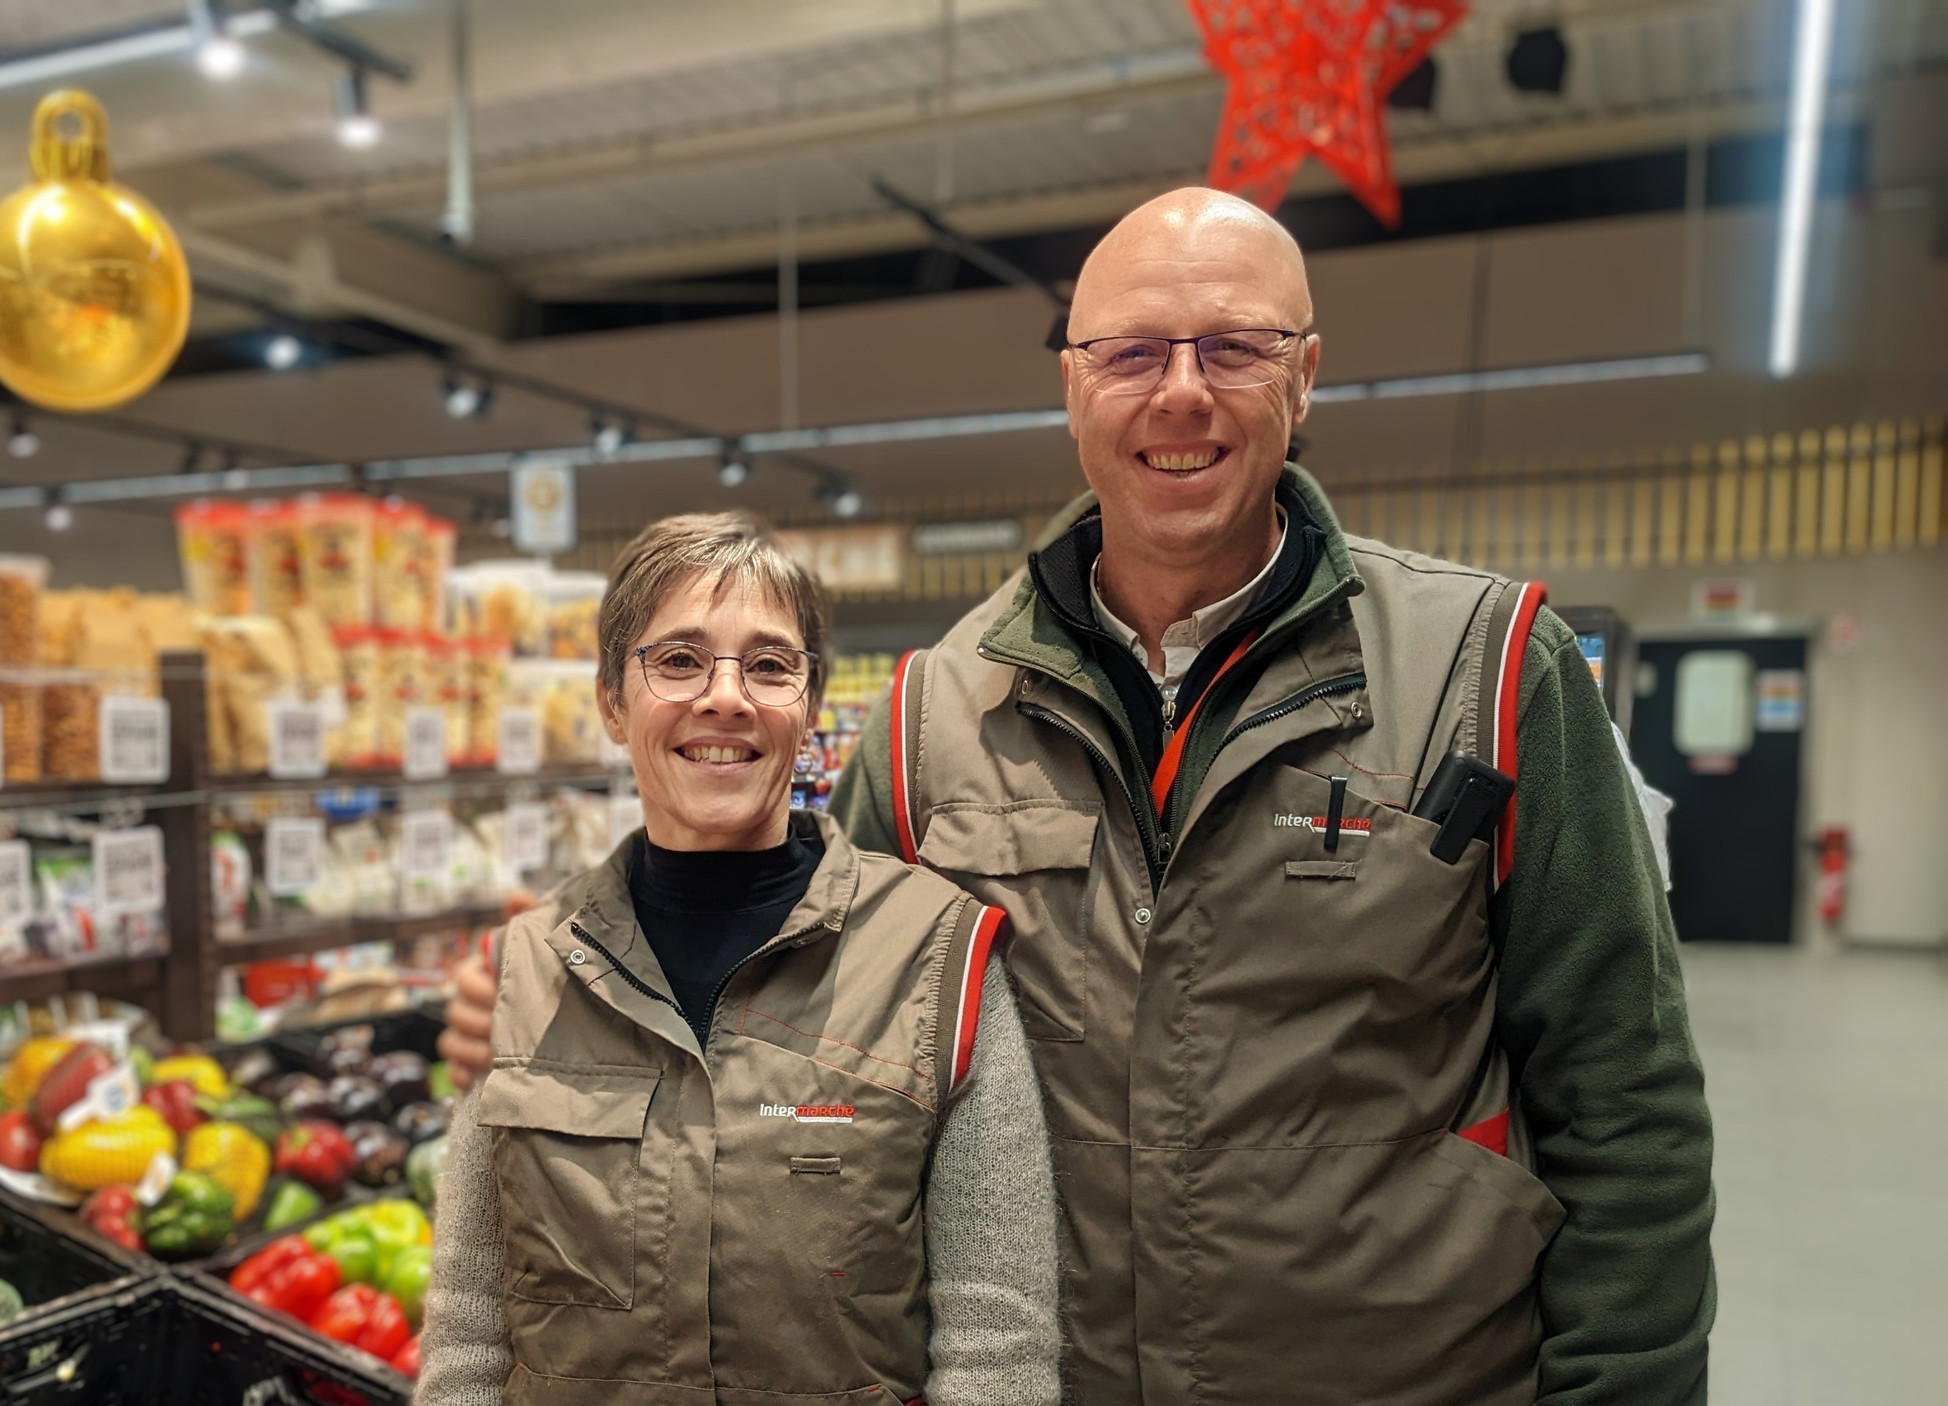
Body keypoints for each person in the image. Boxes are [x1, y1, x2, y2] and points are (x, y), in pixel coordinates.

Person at [441, 188, 1716, 1405]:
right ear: (1071, 383)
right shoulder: (933, 714)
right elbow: (796, 1020)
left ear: (1306, 373)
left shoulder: (1488, 670)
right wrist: (575, 1005)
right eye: (1131, 353)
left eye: (1233, 346)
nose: (1180, 392)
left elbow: (1625, 1095)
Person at [414, 513, 1060, 1406]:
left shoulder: (937, 958)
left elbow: (997, 1344)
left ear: (809, 709)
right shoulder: (525, 970)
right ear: (612, 703)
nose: (726, 696)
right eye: (677, 660)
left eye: (768, 664)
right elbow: (470, 1337)